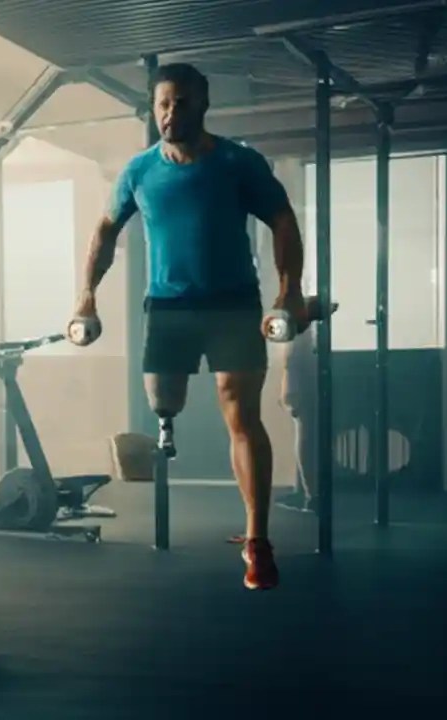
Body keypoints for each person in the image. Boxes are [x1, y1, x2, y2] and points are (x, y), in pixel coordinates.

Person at [73, 63, 306, 591]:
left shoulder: (237, 162)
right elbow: (106, 230)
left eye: (180, 103)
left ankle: (257, 540)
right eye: (162, 104)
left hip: (233, 303)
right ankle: (166, 421)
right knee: (163, 397)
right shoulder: (139, 171)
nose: (169, 113)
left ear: (203, 105)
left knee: (239, 411)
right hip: (169, 307)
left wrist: (288, 291)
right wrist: (86, 297)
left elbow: (283, 219)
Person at [278, 327, 318, 512]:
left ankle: (306, 492)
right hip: (303, 383)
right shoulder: (303, 331)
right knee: (306, 439)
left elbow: (291, 358)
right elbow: (292, 358)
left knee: (305, 438)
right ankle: (311, 495)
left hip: (299, 383)